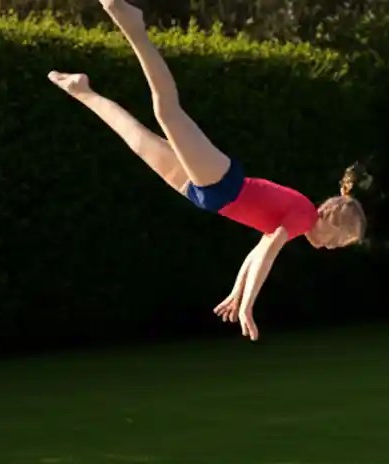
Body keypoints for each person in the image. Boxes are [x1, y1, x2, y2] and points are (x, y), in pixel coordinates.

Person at [48, 0, 369, 341]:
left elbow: (257, 252)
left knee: (135, 137)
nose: (331, 248)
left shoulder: (298, 218)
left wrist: (236, 292)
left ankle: (83, 91)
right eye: (338, 241)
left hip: (205, 194)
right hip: (223, 183)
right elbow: (268, 255)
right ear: (331, 220)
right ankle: (134, 27)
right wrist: (247, 305)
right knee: (167, 112)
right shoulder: (303, 217)